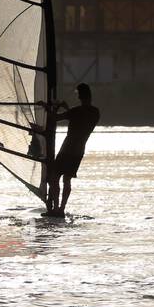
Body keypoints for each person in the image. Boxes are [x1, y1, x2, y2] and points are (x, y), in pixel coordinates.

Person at [46, 83, 100, 215]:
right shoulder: (95, 112)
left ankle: (55, 209)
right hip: (79, 151)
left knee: (54, 177)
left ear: (80, 96)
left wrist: (50, 108)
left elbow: (55, 118)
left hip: (67, 149)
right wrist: (67, 109)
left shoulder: (75, 111)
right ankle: (61, 209)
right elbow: (79, 119)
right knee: (67, 179)